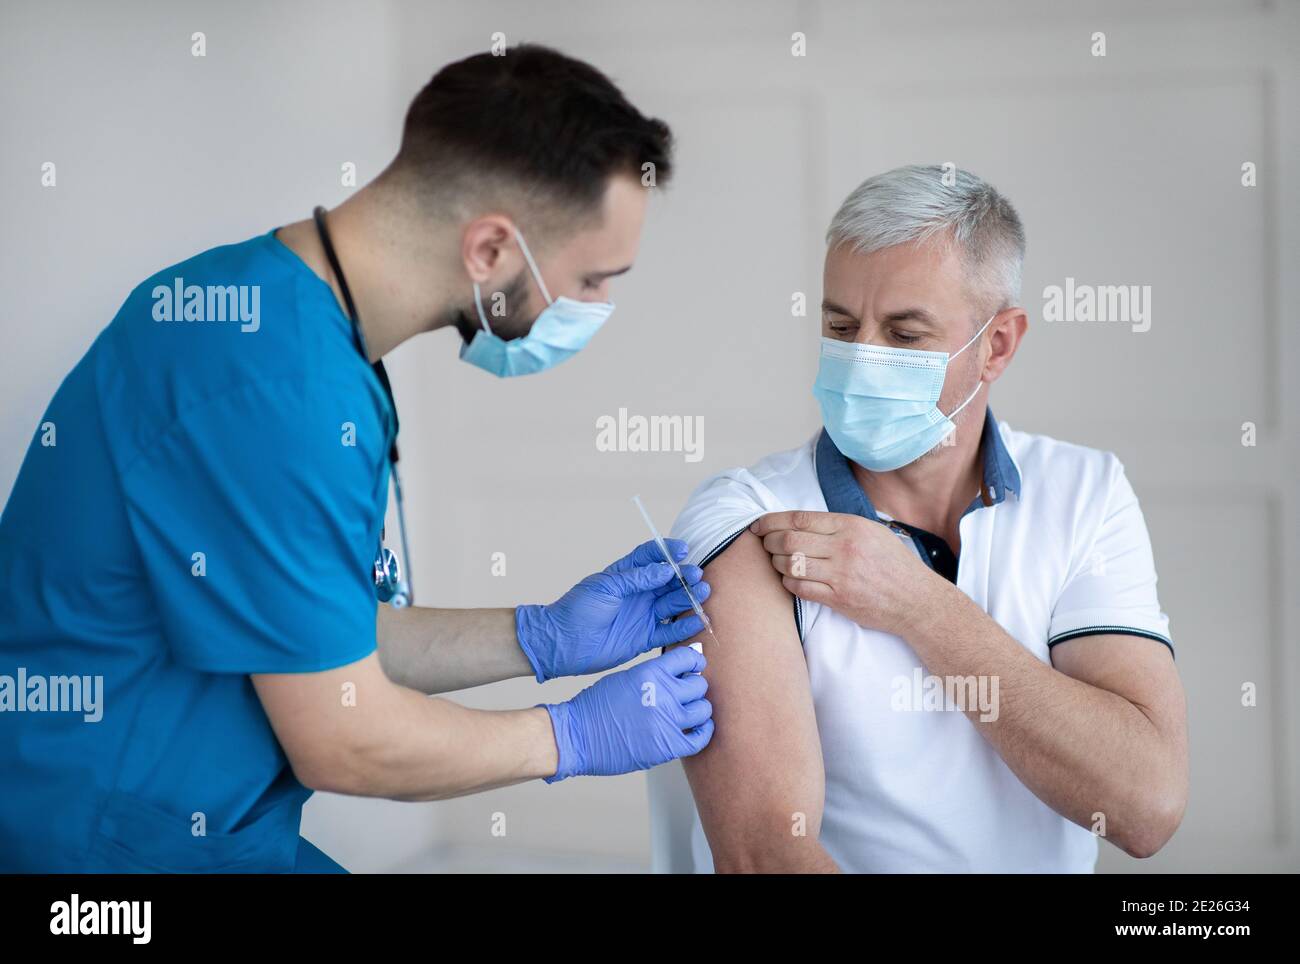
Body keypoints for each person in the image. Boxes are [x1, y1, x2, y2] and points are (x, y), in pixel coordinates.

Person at [0, 44, 713, 873]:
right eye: (593, 279)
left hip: (203, 829)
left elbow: (321, 637)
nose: (599, 308)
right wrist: (570, 735)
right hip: (96, 854)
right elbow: (347, 740)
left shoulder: (301, 333)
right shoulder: (269, 381)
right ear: (490, 251)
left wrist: (543, 636)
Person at [653, 165, 1187, 872]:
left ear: (997, 345)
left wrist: (919, 606)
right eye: (840, 325)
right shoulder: (746, 516)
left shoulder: (1085, 492)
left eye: (904, 335)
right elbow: (762, 855)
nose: (861, 358)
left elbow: (1144, 806)